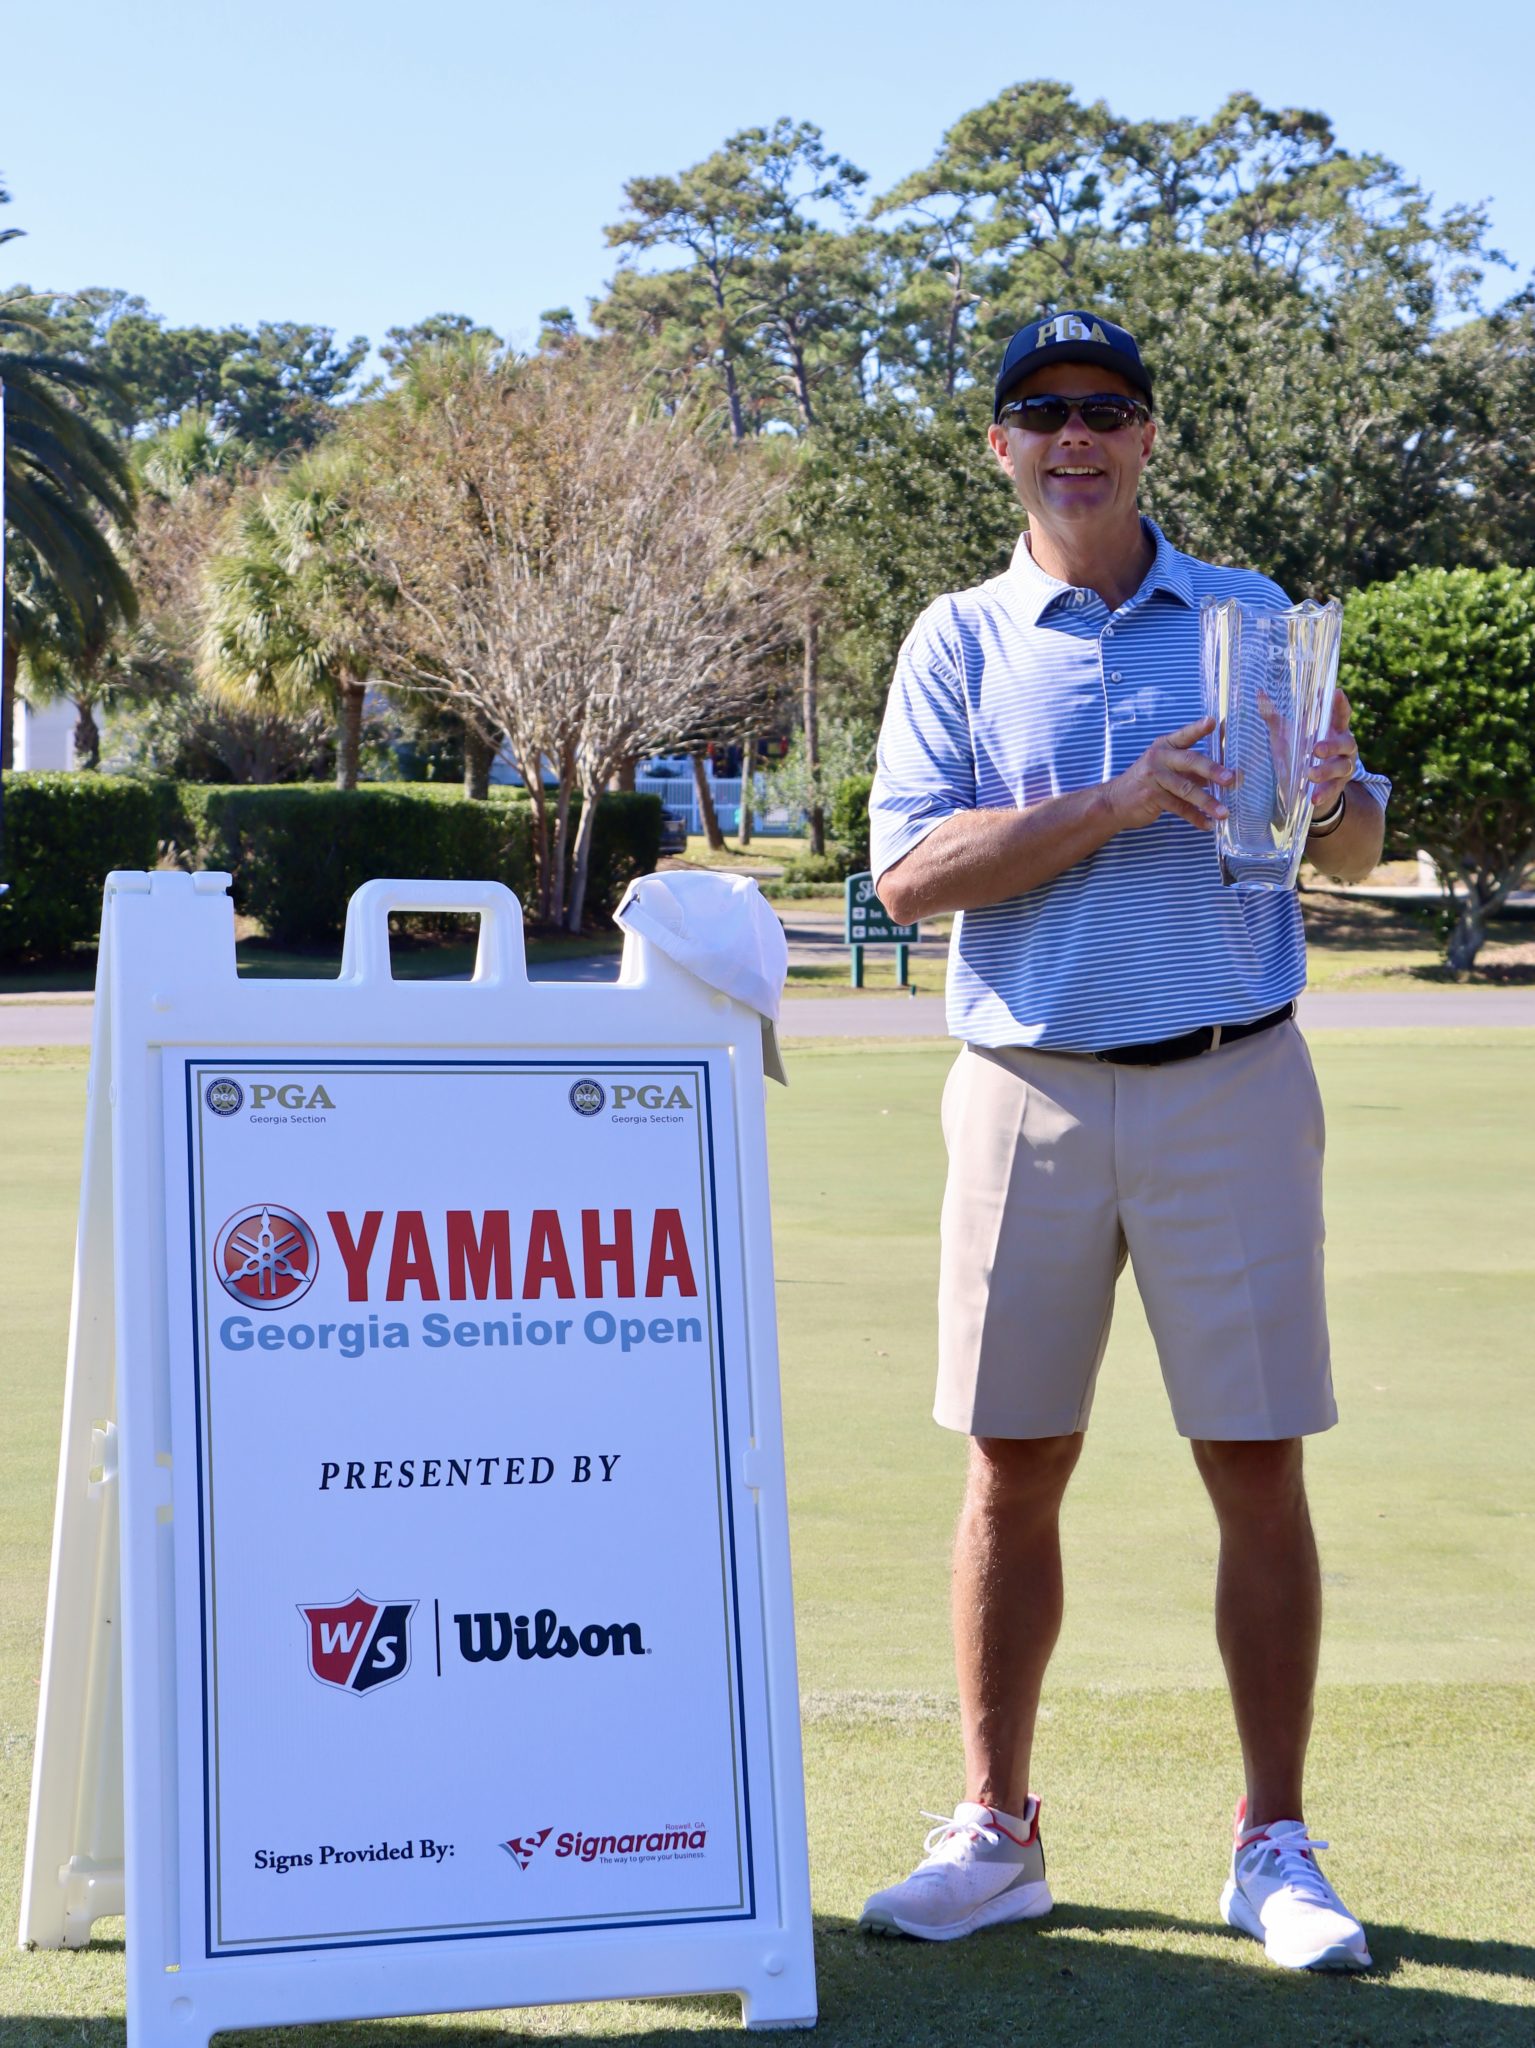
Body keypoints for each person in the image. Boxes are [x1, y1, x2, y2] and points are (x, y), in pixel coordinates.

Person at [859, 311, 1388, 1972]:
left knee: (1255, 1462)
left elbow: (1360, 852)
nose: (1073, 436)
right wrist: (1110, 803)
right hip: (1024, 1083)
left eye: (1105, 409)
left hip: (1231, 1071)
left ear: (1151, 436)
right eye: (1040, 411)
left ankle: (1272, 1846)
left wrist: (1335, 787)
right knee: (1014, 1463)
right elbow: (910, 879)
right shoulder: (956, 638)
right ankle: (998, 1831)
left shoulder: (1253, 620)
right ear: (1001, 445)